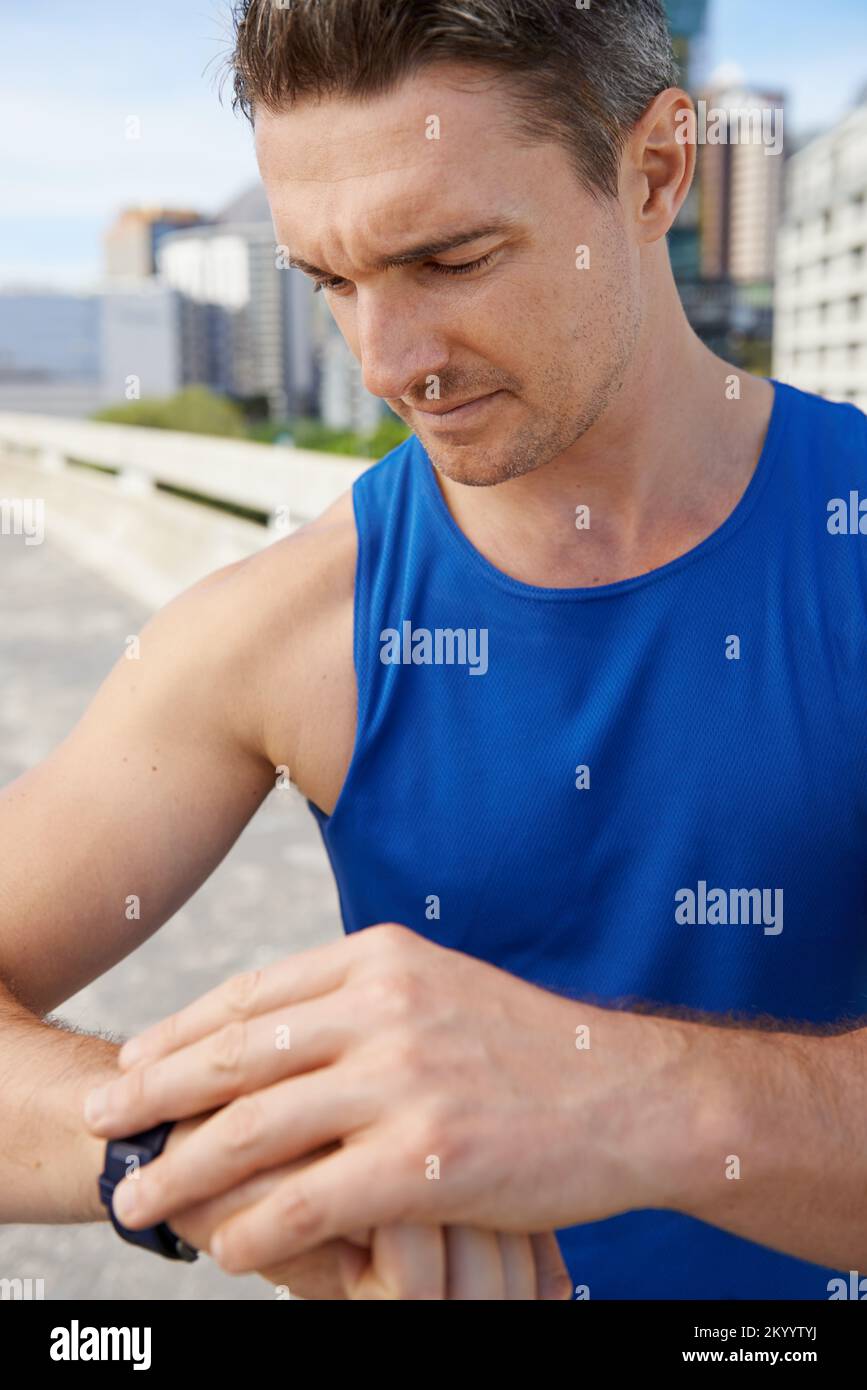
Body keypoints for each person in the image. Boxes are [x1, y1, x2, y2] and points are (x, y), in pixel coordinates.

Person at [3, 0, 867, 1300]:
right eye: (331, 282)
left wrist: (619, 1094)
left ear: (656, 172)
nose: (389, 364)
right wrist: (216, 1144)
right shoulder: (283, 622)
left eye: (451, 258)